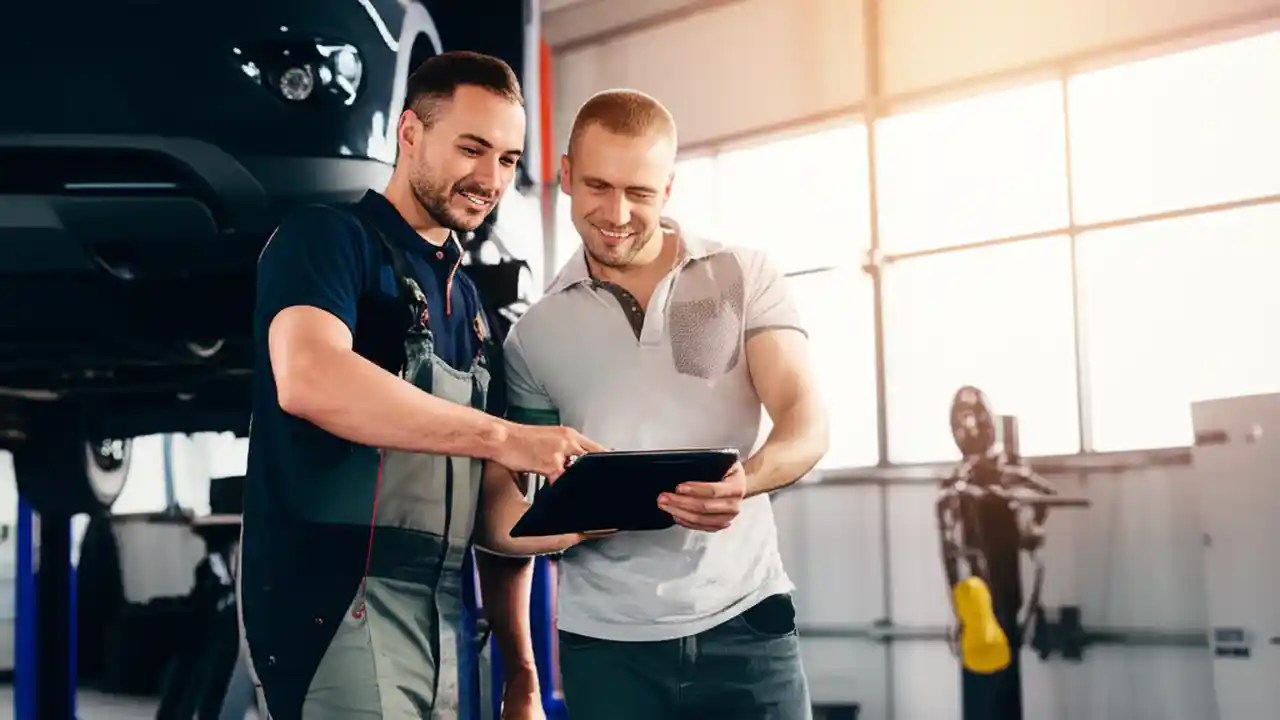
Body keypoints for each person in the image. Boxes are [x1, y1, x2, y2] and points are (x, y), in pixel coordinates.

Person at [236, 51, 604, 720]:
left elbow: (495, 520)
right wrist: (505, 435)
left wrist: (592, 516)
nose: (488, 177)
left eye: (506, 159)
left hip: (440, 618)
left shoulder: (472, 310)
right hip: (330, 607)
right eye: (471, 148)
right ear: (410, 134)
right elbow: (309, 377)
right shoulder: (327, 243)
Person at [477, 89, 831, 719]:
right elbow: (510, 508)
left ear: (668, 190)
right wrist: (523, 675)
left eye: (639, 193)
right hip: (605, 645)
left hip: (747, 624)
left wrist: (744, 484)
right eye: (598, 186)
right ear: (563, 175)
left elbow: (806, 421)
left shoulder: (743, 276)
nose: (617, 213)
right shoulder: (533, 336)